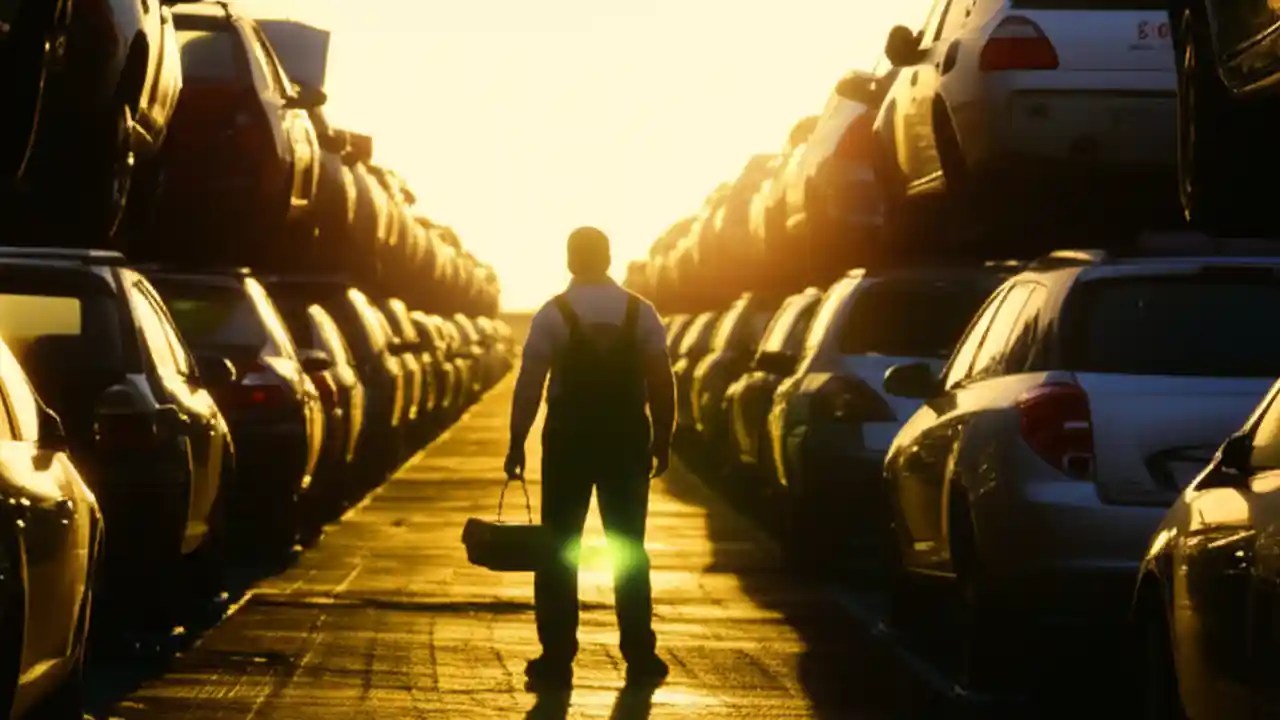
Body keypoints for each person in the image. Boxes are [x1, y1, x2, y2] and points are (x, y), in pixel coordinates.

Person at [506, 226, 675, 690]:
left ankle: (556, 659)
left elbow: (530, 383)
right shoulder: (640, 312)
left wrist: (517, 439)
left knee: (558, 550)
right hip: (625, 441)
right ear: (607, 258)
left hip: (568, 442)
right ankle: (640, 655)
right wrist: (664, 436)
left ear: (569, 260)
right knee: (629, 548)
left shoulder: (551, 315)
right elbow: (661, 378)